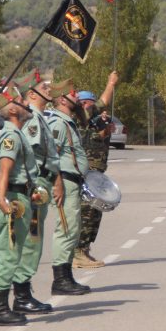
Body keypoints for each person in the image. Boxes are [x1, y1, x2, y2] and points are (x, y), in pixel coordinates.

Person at [9, 69, 62, 314]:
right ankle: (21, 293)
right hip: (36, 185)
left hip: (43, 182)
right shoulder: (31, 119)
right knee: (31, 240)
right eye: (44, 88)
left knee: (33, 237)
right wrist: (35, 185)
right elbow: (29, 155)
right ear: (31, 93)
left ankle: (23, 290)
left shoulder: (39, 117)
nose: (49, 90)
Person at [0, 86, 37, 326]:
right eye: (20, 100)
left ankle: (2, 306)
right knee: (8, 253)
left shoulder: (17, 133)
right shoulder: (11, 136)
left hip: (21, 195)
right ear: (14, 109)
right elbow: (5, 169)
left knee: (13, 252)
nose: (26, 103)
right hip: (14, 197)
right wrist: (1, 198)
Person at [47, 79, 92, 295]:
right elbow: (51, 156)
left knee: (71, 229)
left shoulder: (67, 122)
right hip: (64, 181)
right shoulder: (58, 123)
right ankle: (61, 280)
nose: (77, 98)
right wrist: (58, 184)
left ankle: (66, 277)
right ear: (63, 99)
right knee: (66, 229)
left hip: (71, 181)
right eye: (73, 94)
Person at [74, 72, 118, 269]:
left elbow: (103, 105)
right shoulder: (76, 120)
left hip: (96, 174)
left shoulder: (93, 120)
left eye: (92, 103)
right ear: (80, 104)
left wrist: (111, 83)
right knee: (86, 213)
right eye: (88, 103)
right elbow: (103, 102)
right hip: (84, 173)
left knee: (95, 213)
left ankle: (85, 250)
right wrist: (110, 83)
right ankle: (77, 252)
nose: (92, 106)